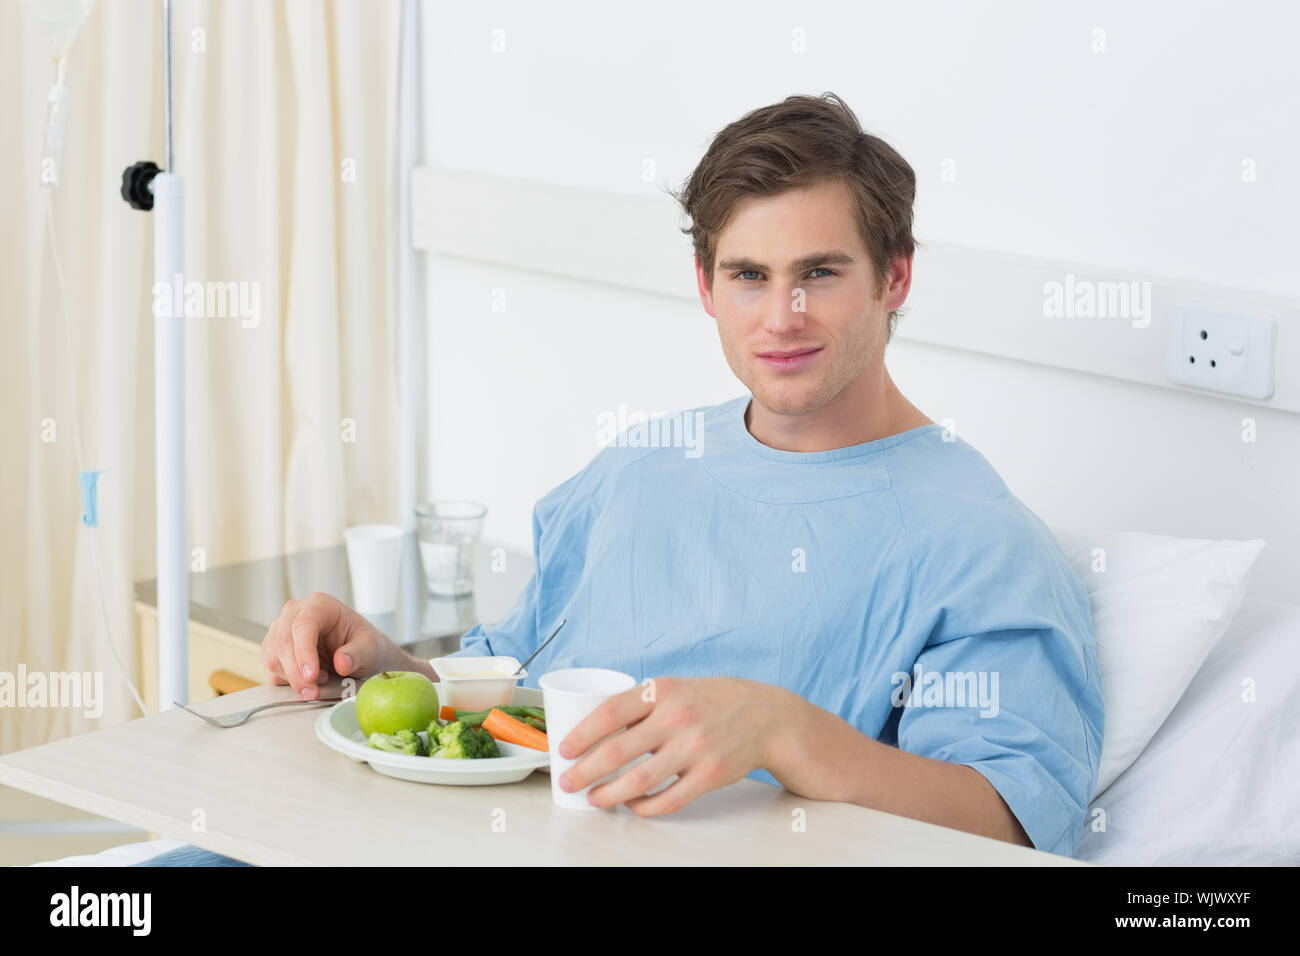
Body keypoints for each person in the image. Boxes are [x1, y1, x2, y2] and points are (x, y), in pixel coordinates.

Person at [179, 92, 1103, 865]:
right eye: (749, 275)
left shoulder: (976, 540)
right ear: (706, 288)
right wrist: (387, 669)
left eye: (820, 272)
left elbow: (1007, 824)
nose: (782, 315)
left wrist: (786, 731)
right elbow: (518, 700)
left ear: (894, 278)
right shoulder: (641, 467)